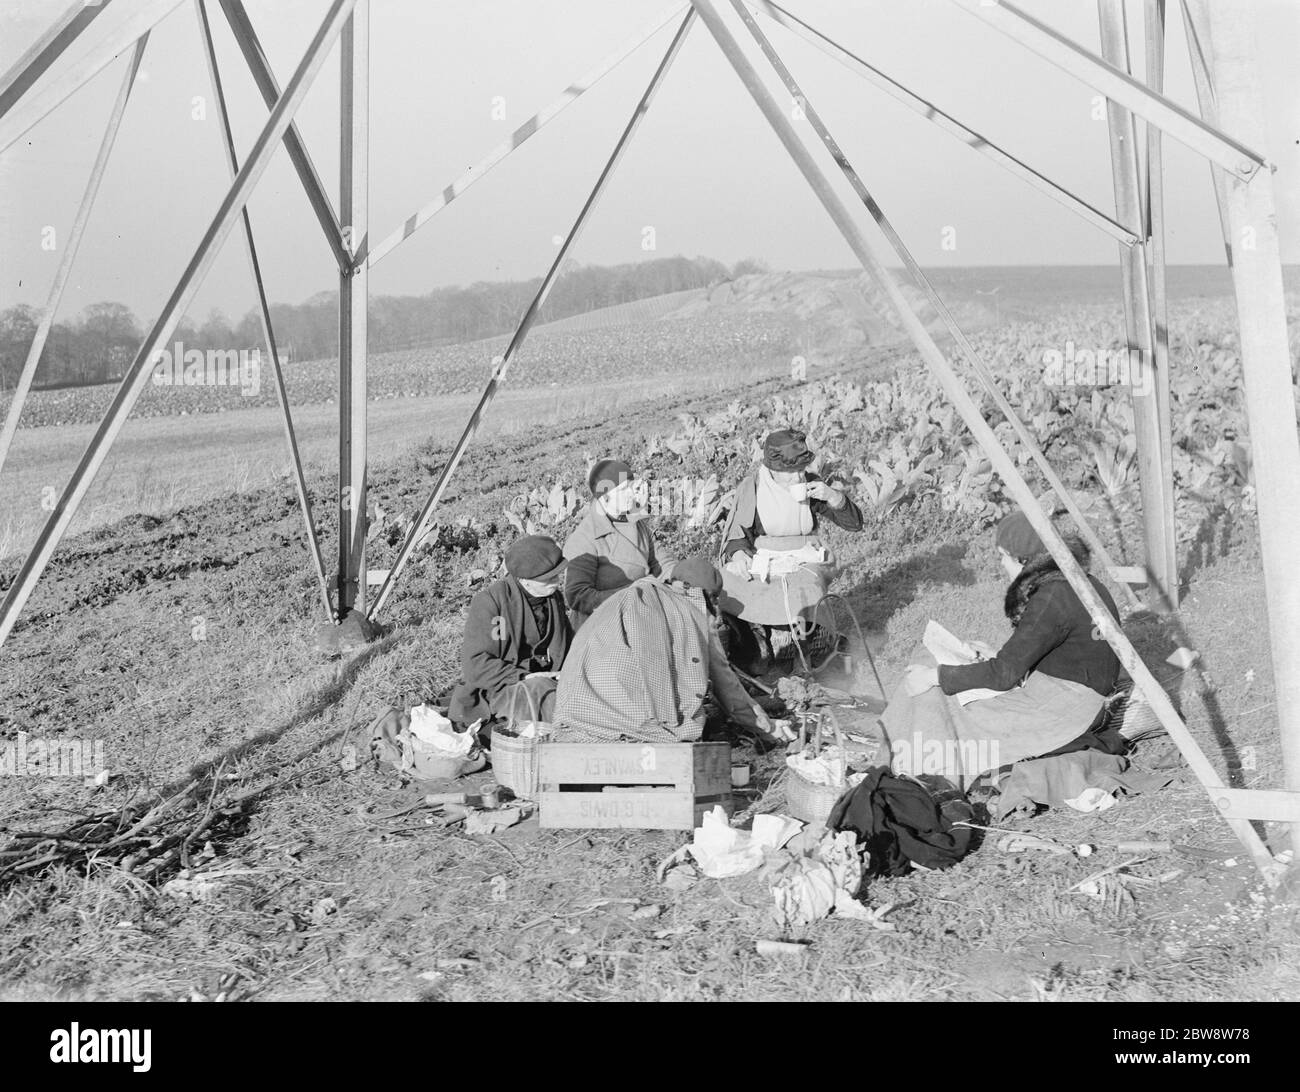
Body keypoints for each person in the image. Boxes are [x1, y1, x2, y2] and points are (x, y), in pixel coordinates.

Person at [880, 510, 1122, 790]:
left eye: (1003, 556)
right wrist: (993, 654)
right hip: (1076, 696)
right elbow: (1051, 650)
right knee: (934, 674)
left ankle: (918, 769)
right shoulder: (1081, 583)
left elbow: (1004, 675)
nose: (1001, 565)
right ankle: (899, 757)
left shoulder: (1051, 597)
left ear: (1023, 559)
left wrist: (935, 677)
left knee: (938, 696)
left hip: (1063, 710)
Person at [551, 557, 781, 746]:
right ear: (706, 597)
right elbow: (725, 686)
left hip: (575, 719)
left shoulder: (626, 596)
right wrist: (767, 728)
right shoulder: (692, 613)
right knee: (686, 728)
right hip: (633, 728)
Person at [718, 428, 863, 661]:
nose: (797, 478)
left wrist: (833, 496)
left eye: (800, 471)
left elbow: (854, 524)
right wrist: (738, 556)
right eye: (790, 472)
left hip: (804, 555)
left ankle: (809, 644)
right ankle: (752, 643)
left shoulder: (812, 485)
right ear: (773, 469)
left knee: (802, 587)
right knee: (727, 582)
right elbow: (737, 536)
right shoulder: (753, 488)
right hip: (764, 557)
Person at [447, 534, 572, 736]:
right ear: (525, 580)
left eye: (557, 575)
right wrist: (525, 676)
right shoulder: (490, 603)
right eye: (548, 578)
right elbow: (476, 665)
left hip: (547, 678)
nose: (557, 582)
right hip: (501, 687)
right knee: (546, 694)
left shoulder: (552, 597)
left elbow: (566, 644)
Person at [562, 457, 674, 629]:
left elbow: (661, 562)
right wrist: (633, 594)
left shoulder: (636, 521)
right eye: (624, 490)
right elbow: (578, 596)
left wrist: (680, 576)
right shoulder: (584, 539)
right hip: (603, 626)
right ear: (605, 497)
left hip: (644, 612)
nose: (632, 494)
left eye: (631, 487)